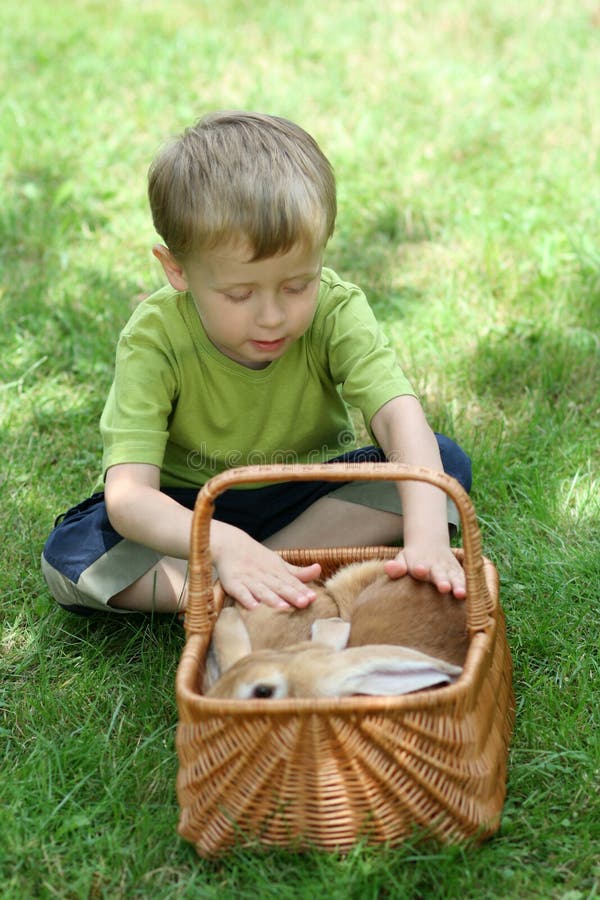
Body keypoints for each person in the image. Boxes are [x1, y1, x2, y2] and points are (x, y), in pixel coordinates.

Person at [41, 110, 472, 618]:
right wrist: (222, 544)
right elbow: (130, 497)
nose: (272, 317)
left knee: (442, 467)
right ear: (177, 269)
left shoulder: (337, 308)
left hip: (307, 496)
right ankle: (246, 581)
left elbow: (398, 416)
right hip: (191, 509)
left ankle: (260, 577)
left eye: (297, 285)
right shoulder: (154, 338)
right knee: (71, 555)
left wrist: (427, 538)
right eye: (239, 294)